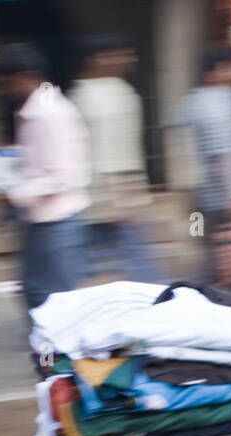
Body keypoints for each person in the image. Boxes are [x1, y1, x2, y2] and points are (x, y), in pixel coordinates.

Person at [0, 43, 91, 314]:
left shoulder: (50, 114)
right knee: (36, 290)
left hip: (58, 219)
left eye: (6, 82)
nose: (4, 90)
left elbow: (63, 175)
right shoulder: (37, 110)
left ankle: (59, 354)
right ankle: (49, 353)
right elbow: (41, 160)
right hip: (41, 219)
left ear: (22, 76)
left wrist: (13, 195)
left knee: (54, 299)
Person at [70, 34, 158, 282]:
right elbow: (107, 152)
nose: (128, 60)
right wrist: (118, 198)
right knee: (136, 263)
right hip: (107, 196)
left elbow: (127, 149)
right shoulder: (91, 96)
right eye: (120, 54)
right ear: (98, 60)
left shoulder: (118, 91)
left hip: (118, 195)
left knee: (132, 261)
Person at [179, 50, 231, 284]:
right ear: (216, 72)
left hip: (202, 193)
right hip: (221, 195)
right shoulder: (222, 103)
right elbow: (224, 154)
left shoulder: (194, 101)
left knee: (214, 257)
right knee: (227, 260)